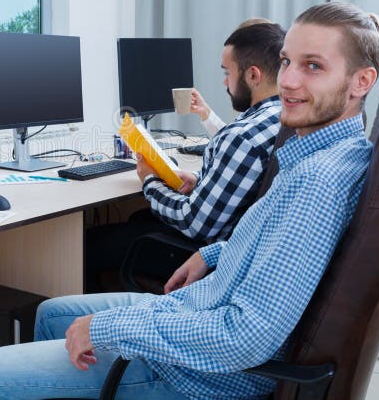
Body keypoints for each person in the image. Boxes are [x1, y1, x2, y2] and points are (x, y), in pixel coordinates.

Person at [0, 2, 379, 399]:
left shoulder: (316, 181)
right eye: (288, 62)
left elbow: (243, 337)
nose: (289, 80)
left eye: (313, 67)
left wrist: (109, 328)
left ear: (361, 81)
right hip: (206, 302)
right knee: (53, 313)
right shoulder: (325, 154)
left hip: (199, 371)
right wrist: (215, 253)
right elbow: (275, 241)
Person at [86, 21, 284, 292]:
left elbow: (195, 224)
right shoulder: (279, 118)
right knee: (136, 221)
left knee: (91, 244)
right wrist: (199, 180)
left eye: (228, 72)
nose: (225, 82)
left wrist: (150, 181)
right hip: (237, 247)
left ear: (253, 75)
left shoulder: (242, 136)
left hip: (205, 259)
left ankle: (88, 325)